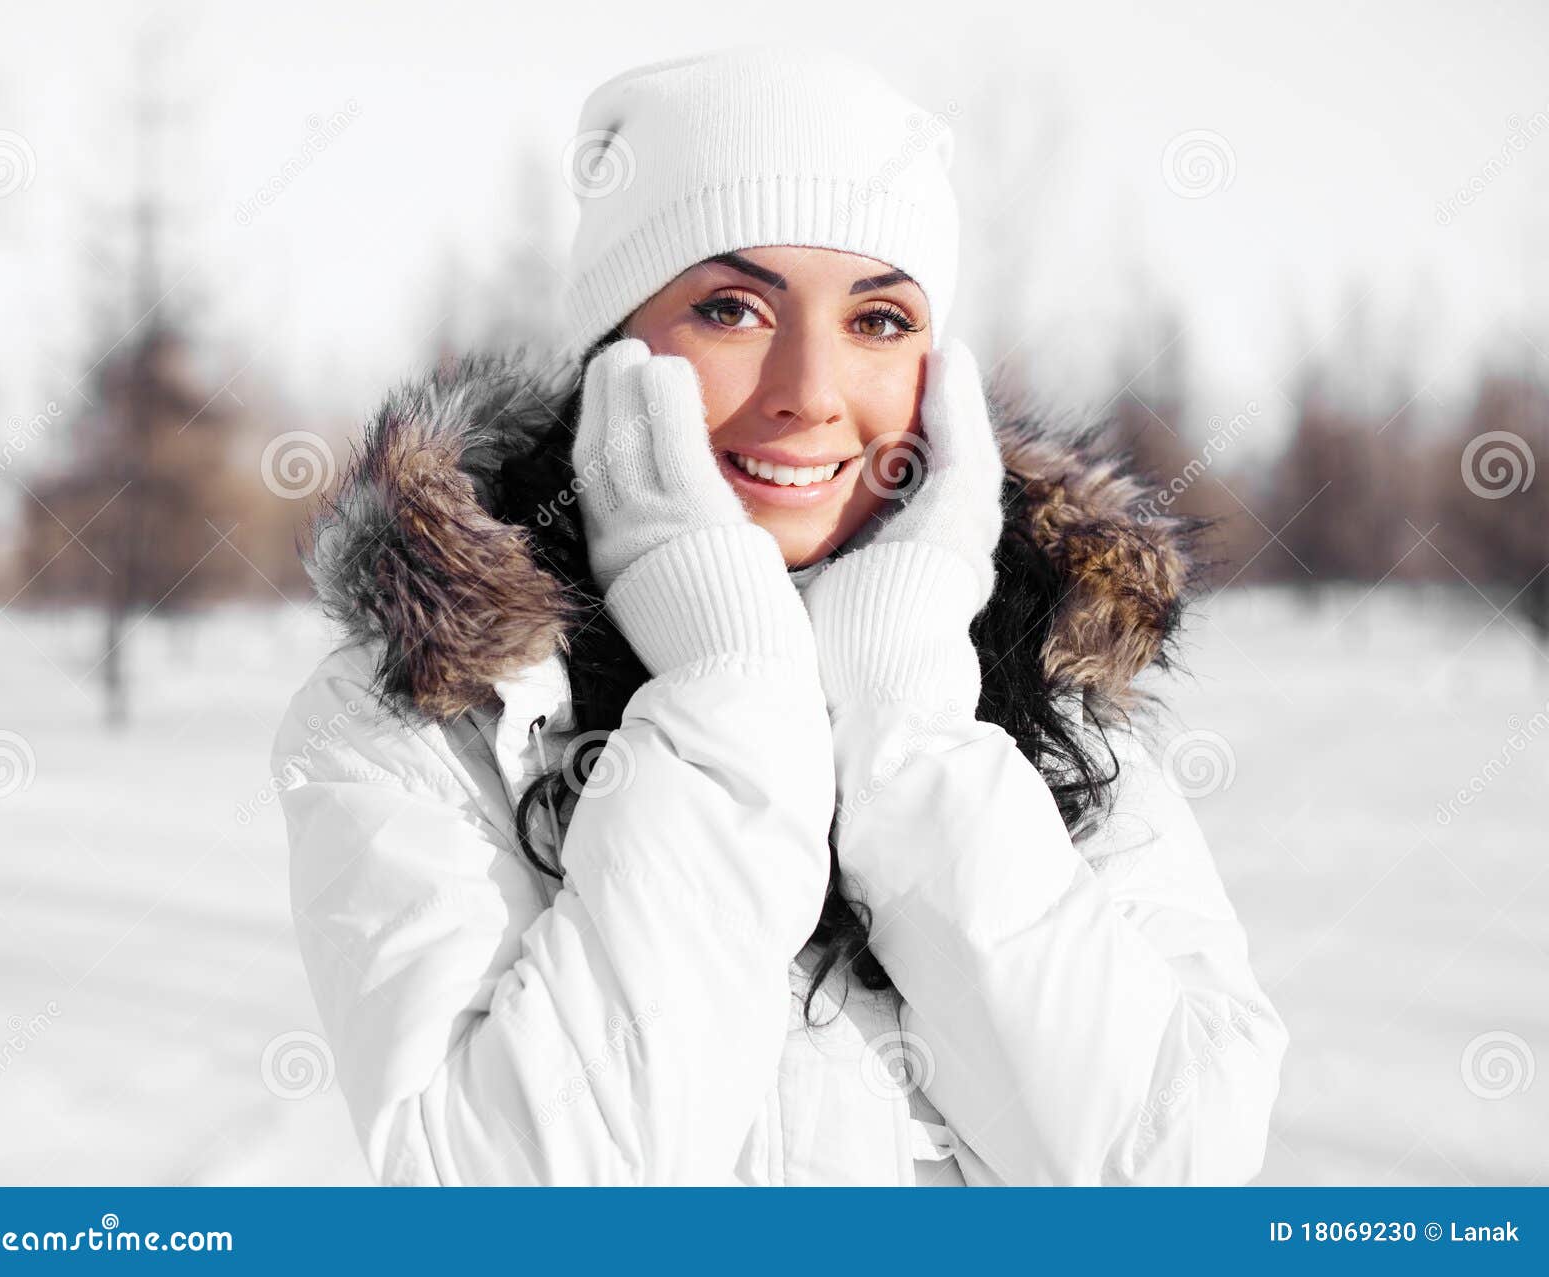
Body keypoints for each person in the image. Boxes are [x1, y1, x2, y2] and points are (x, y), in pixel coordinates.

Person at [270, 42, 1288, 1186]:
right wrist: (731, 693)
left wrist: (907, 722)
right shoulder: (431, 710)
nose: (807, 389)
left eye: (879, 320)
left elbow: (1167, 1176)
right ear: (615, 356)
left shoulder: (1049, 691)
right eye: (732, 308)